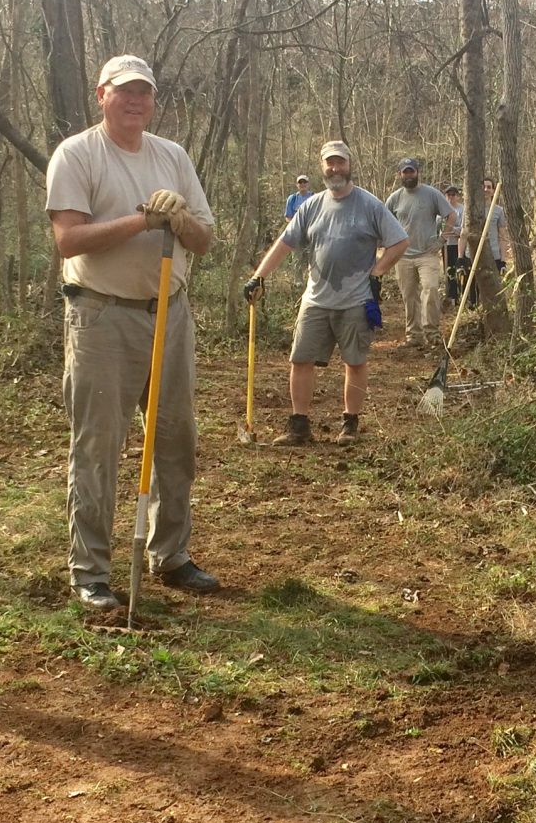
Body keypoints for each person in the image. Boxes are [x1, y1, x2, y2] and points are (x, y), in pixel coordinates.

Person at [46, 54, 220, 611]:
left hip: (169, 312)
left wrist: (180, 220)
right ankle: (91, 571)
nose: (135, 101)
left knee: (176, 438)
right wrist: (144, 220)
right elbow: (69, 240)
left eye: (144, 92)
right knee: (98, 446)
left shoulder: (172, 156)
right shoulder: (77, 154)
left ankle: (170, 554)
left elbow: (204, 240)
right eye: (124, 91)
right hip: (102, 316)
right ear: (102, 95)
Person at [243, 140, 408, 447]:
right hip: (315, 299)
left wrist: (378, 272)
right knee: (300, 359)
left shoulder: (370, 205)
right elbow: (285, 243)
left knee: (354, 362)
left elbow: (400, 241)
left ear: (349, 164)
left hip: (355, 299)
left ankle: (350, 424)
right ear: (322, 167)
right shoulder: (312, 206)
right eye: (330, 163)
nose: (335, 168)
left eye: (340, 162)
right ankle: (299, 426)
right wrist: (258, 277)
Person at [385, 158, 456, 348]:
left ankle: (432, 332)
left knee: (430, 289)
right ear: (400, 174)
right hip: (403, 256)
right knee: (409, 296)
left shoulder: (431, 194)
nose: (409, 175)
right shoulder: (394, 198)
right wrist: (390, 245)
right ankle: (413, 335)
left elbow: (451, 214)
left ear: (418, 172)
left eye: (412, 171)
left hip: (427, 253)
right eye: (405, 172)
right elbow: (383, 221)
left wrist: (442, 239)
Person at [457, 176, 510, 306]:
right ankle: (474, 311)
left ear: (493, 191)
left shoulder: (498, 211)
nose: (486, 190)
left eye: (489, 187)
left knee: (491, 291)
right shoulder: (469, 210)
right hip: (472, 254)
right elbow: (463, 234)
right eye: (483, 187)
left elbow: (503, 236)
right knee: (472, 292)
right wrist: (460, 257)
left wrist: (503, 260)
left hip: (493, 255)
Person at [442, 185, 463, 307]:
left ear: (457, 196)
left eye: (453, 195)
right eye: (448, 195)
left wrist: (450, 228)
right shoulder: (441, 211)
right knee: (449, 271)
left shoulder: (462, 210)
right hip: (446, 245)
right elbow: (439, 227)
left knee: (459, 270)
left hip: (458, 245)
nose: (451, 197)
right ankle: (451, 296)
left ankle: (461, 295)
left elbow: (462, 229)